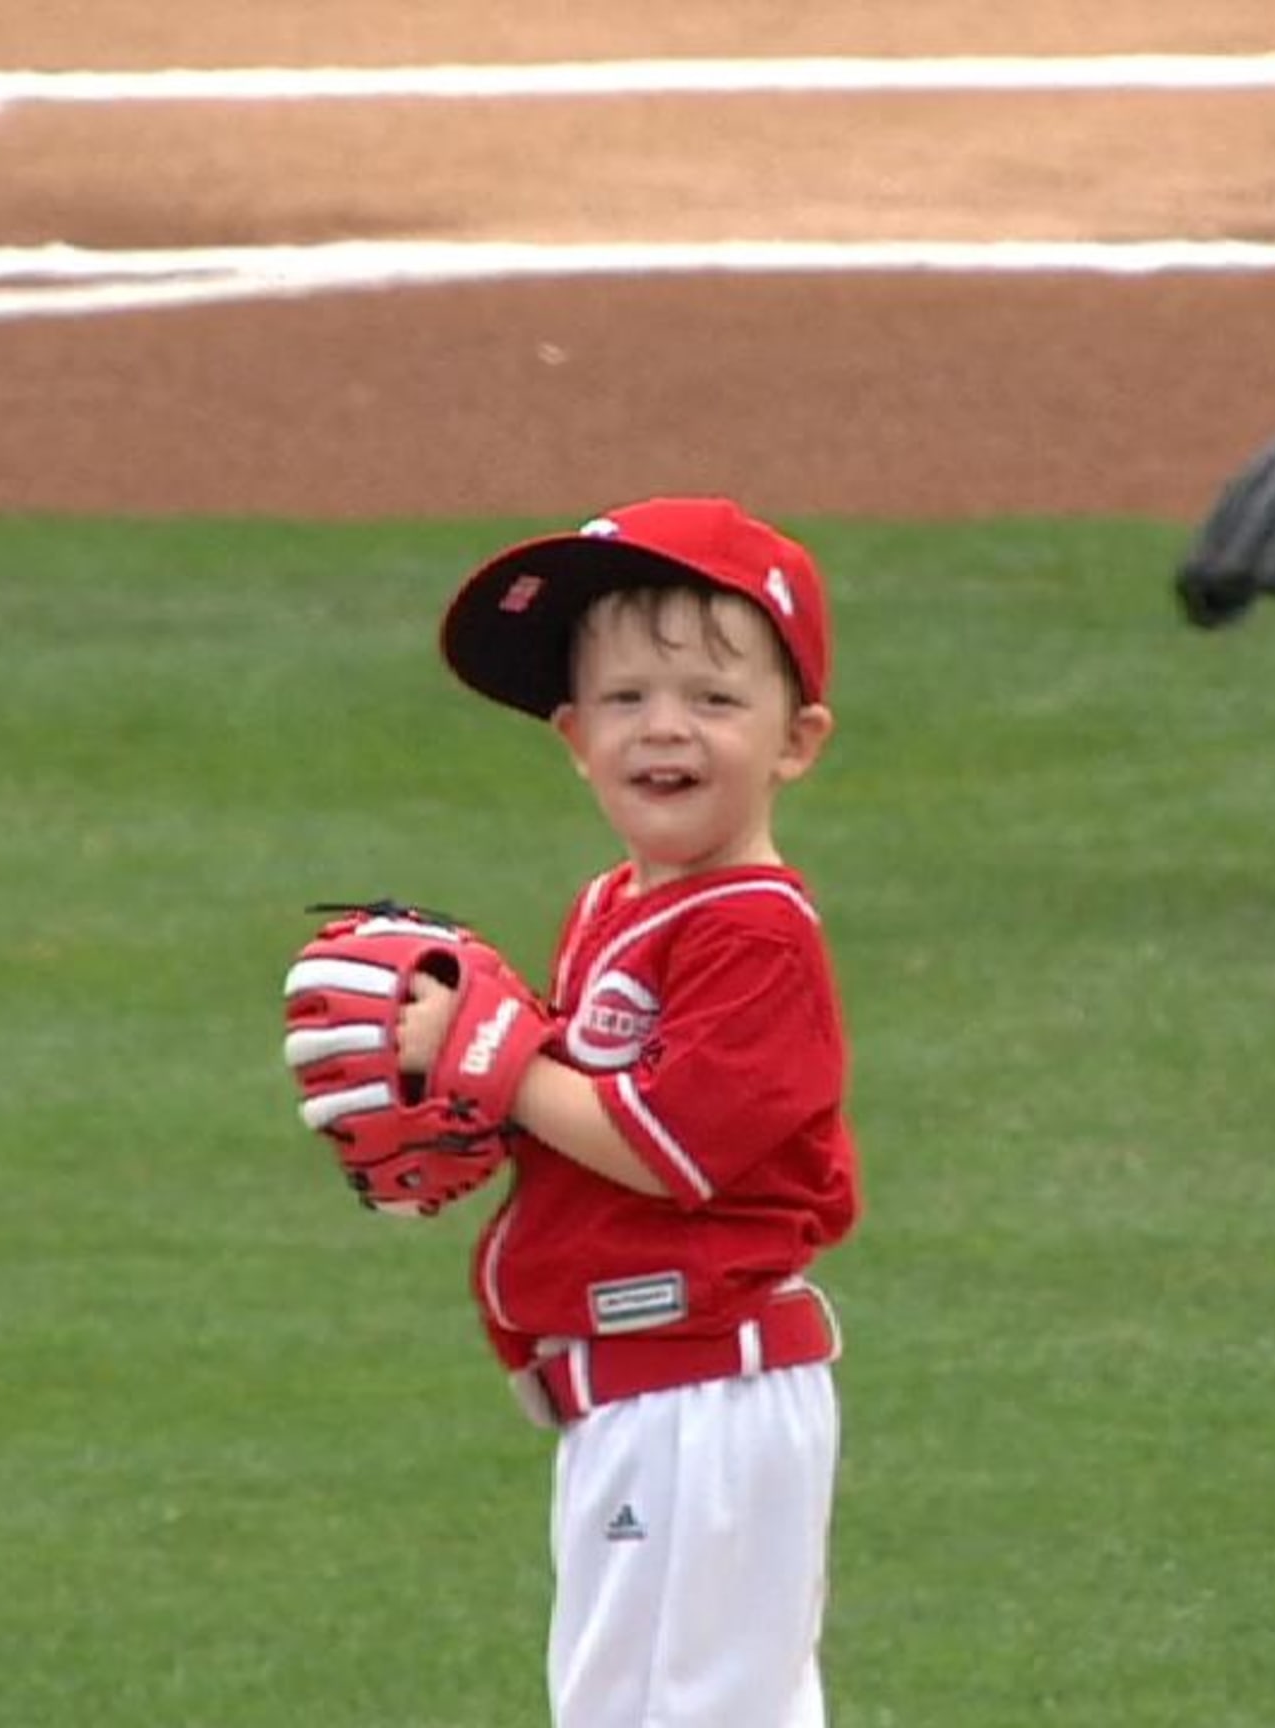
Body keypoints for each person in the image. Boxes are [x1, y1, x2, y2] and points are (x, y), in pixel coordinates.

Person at [409, 496, 860, 1728]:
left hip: (694, 1393)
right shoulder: (622, 900)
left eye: (714, 700)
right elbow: (579, 1103)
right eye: (624, 700)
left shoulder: (753, 931)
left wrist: (492, 1058)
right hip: (653, 1398)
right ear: (571, 735)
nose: (666, 729)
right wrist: (473, 1100)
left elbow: (673, 1148)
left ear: (796, 739)